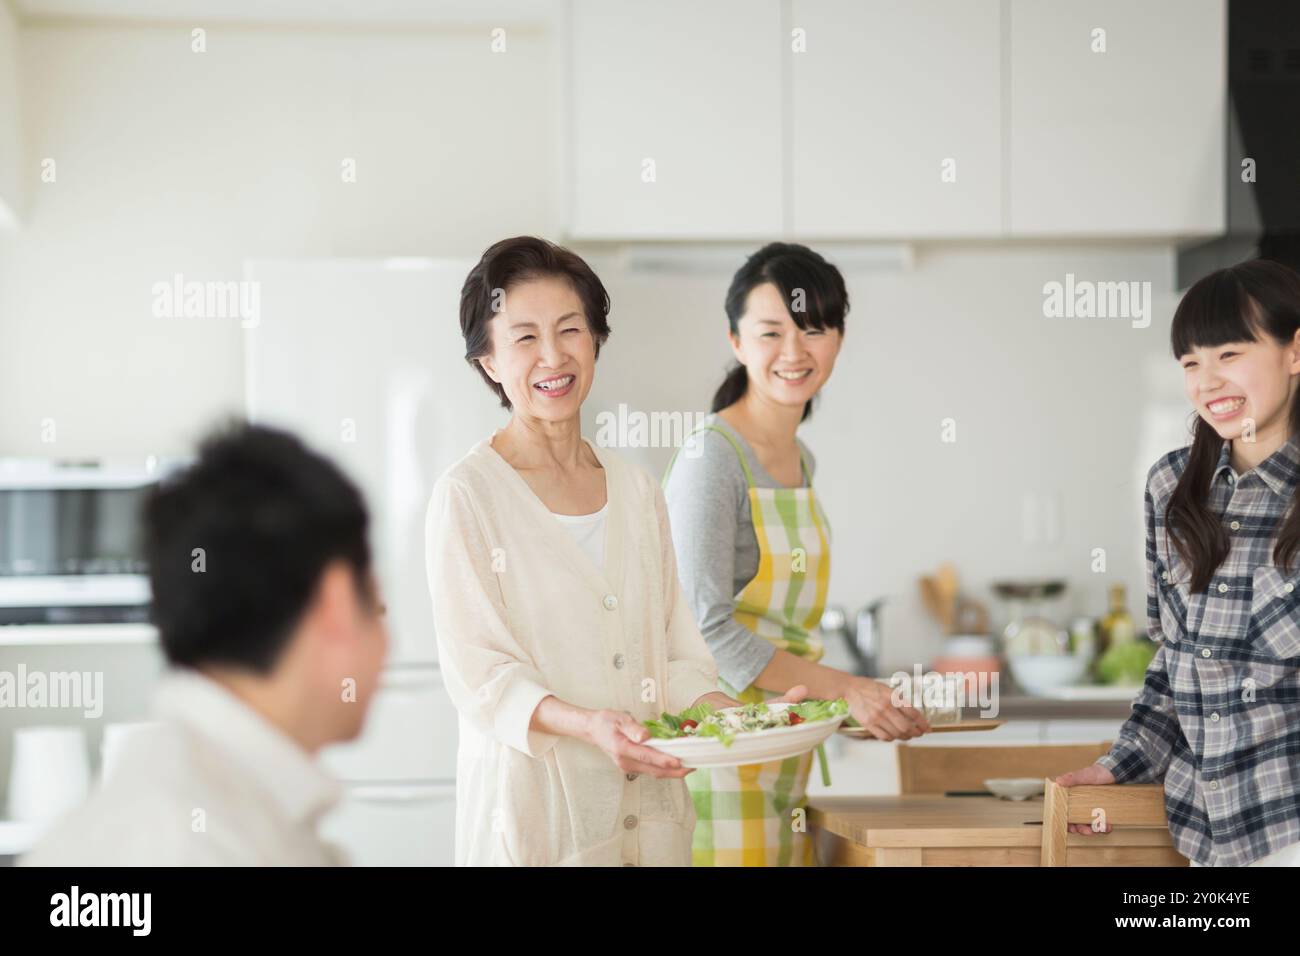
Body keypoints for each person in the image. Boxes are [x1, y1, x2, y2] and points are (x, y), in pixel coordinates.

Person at [426, 236, 806, 867]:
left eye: (570, 329)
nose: (554, 355)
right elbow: (482, 679)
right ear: (489, 360)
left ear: (595, 340)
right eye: (524, 337)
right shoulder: (469, 495)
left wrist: (739, 718)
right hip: (537, 824)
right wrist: (590, 726)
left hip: (651, 825)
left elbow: (677, 658)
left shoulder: (635, 489)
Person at [663, 242, 929, 867]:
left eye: (813, 329)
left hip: (785, 743)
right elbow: (704, 629)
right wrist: (844, 691)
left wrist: (841, 705)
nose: (793, 352)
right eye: (770, 332)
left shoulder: (800, 459)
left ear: (838, 337)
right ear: (735, 341)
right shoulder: (712, 460)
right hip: (726, 753)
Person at [24, 423, 388, 866]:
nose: (388, 643)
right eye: (378, 606)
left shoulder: (209, 804)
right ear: (338, 603)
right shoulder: (199, 843)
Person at [1057, 258, 1300, 867]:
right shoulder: (1171, 486)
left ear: (1295, 352)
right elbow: (1175, 660)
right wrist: (1122, 763)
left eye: (1230, 354)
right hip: (1207, 838)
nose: (1207, 380)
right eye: (1191, 362)